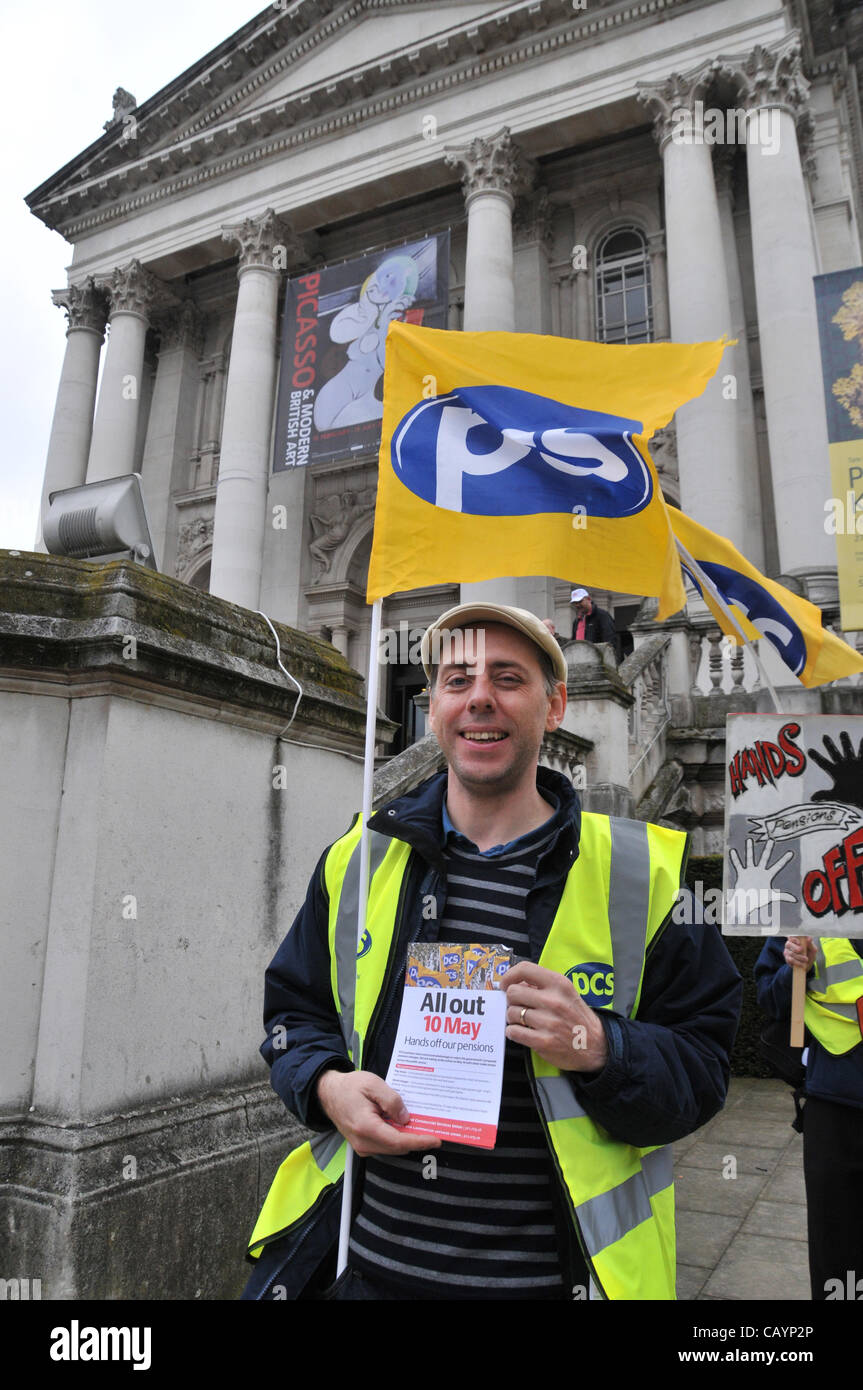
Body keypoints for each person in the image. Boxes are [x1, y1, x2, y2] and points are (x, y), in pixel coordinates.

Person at [242, 602, 741, 1301]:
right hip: (365, 1272)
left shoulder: (643, 872)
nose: (479, 697)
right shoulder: (357, 860)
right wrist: (325, 1086)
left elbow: (703, 1067)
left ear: (555, 704)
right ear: (435, 706)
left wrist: (601, 1047)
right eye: (457, 679)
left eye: (507, 678)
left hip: (553, 1284)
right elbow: (293, 1016)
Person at [755, 934, 863, 1300]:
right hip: (833, 1108)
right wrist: (795, 969)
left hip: (832, 1097)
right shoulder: (804, 910)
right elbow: (771, 1000)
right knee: (835, 1253)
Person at [570, 587, 622, 661]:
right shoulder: (576, 621)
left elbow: (610, 640)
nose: (577, 605)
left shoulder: (602, 615)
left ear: (588, 599)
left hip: (598, 661)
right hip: (580, 661)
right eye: (575, 603)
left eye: (580, 601)